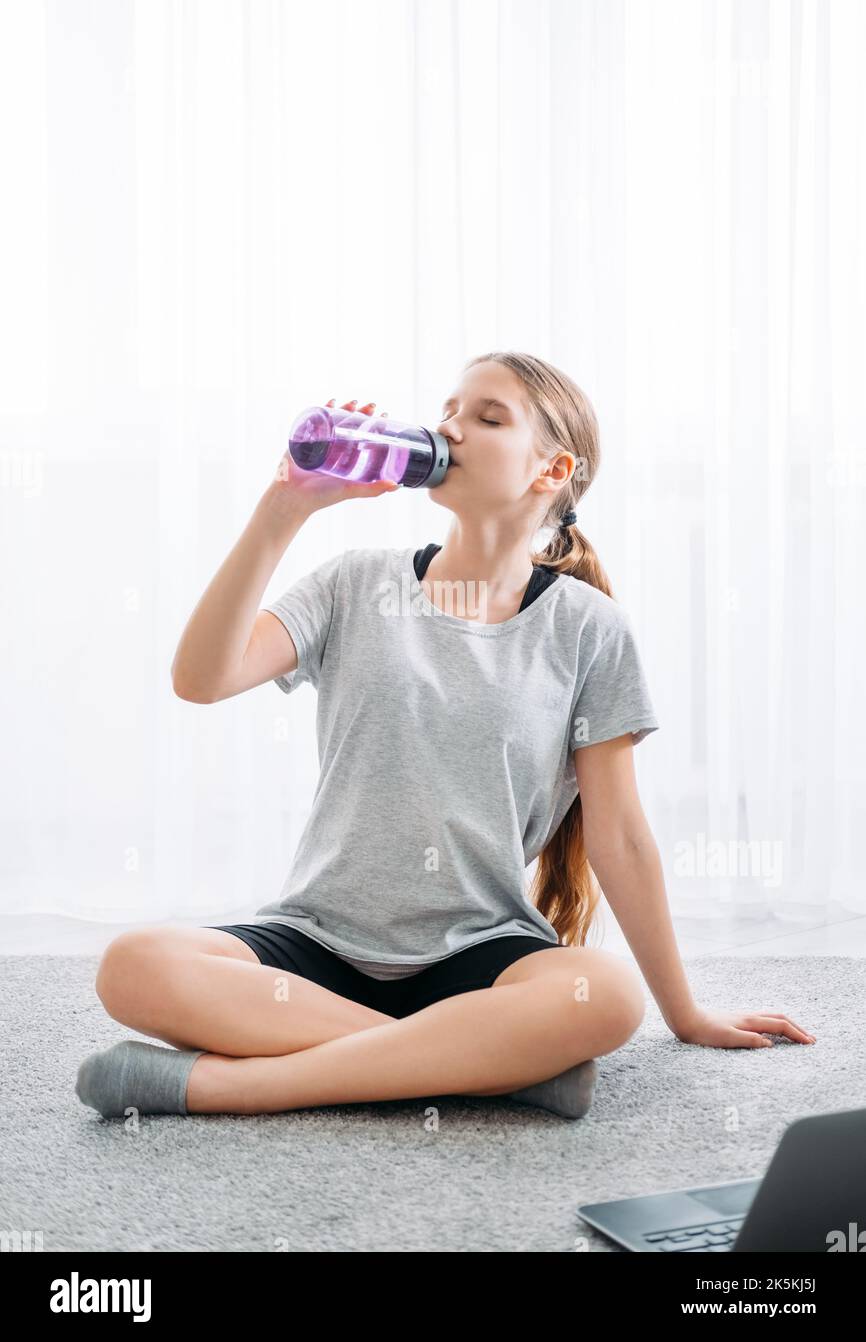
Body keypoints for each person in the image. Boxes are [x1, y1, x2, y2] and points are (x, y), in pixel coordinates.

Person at [76, 351, 816, 1124]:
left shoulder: (586, 629)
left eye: (487, 418)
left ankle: (229, 1087)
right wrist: (284, 507)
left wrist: (685, 1013)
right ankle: (482, 1068)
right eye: (450, 410)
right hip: (319, 943)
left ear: (550, 469)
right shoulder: (354, 583)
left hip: (480, 955)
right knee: (136, 967)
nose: (450, 428)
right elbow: (202, 677)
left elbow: (620, 835)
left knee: (606, 996)